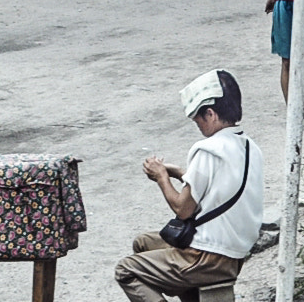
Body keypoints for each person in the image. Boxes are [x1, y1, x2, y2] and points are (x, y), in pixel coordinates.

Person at [114, 70, 265, 302]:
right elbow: (218, 185)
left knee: (126, 270)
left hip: (208, 257)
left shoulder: (208, 148)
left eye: (198, 118)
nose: (197, 124)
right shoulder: (248, 146)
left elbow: (183, 209)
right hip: (234, 253)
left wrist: (161, 178)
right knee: (143, 243)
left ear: (211, 114)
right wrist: (177, 172)